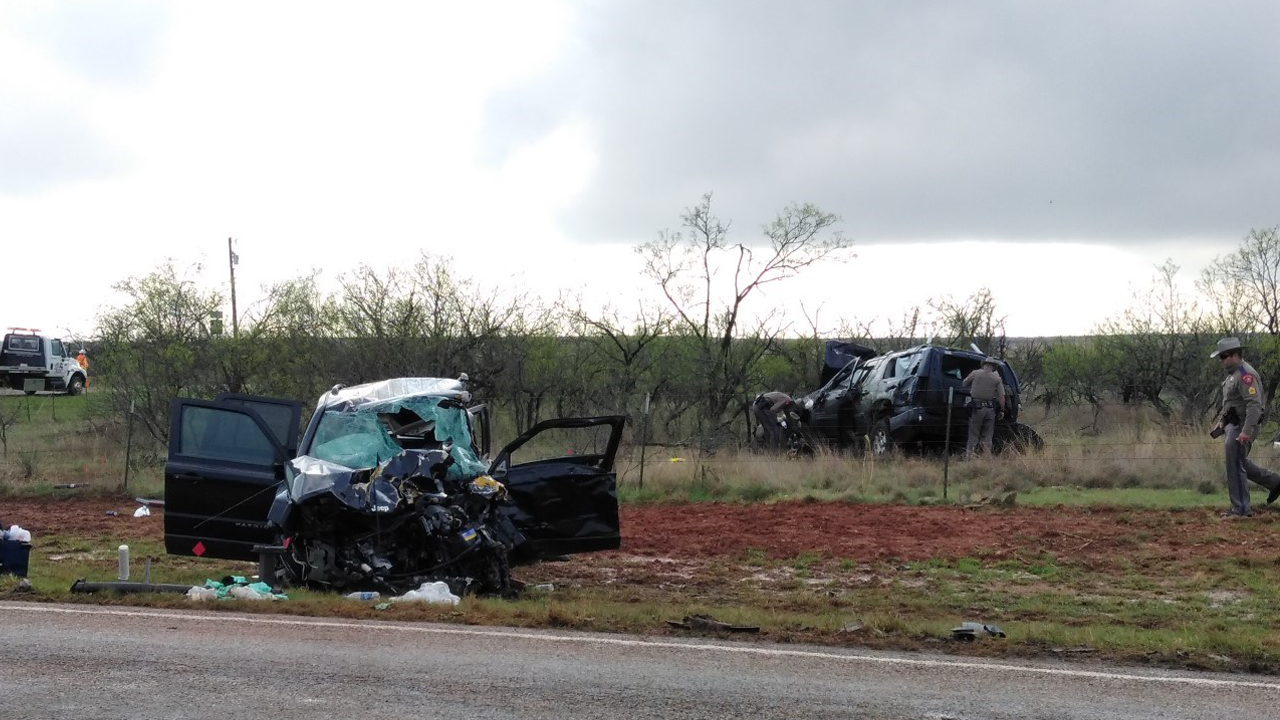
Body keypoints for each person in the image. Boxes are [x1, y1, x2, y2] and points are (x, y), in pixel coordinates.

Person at [1210, 337, 1280, 518]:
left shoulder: (1245, 375)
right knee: (1239, 462)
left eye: (1224, 356)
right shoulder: (1233, 375)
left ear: (1235, 355)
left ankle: (1241, 509)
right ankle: (1275, 482)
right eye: (1220, 357)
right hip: (1234, 423)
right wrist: (1223, 421)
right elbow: (1233, 402)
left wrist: (1245, 432)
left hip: (1244, 425)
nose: (1222, 360)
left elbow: (1254, 406)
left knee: (1235, 464)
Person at [963, 358, 1006, 457]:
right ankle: (986, 458)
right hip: (990, 410)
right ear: (994, 367)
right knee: (987, 436)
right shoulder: (997, 379)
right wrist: (1002, 410)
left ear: (983, 364)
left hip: (976, 409)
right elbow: (1001, 397)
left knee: (973, 435)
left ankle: (969, 457)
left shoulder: (975, 373)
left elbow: (964, 383)